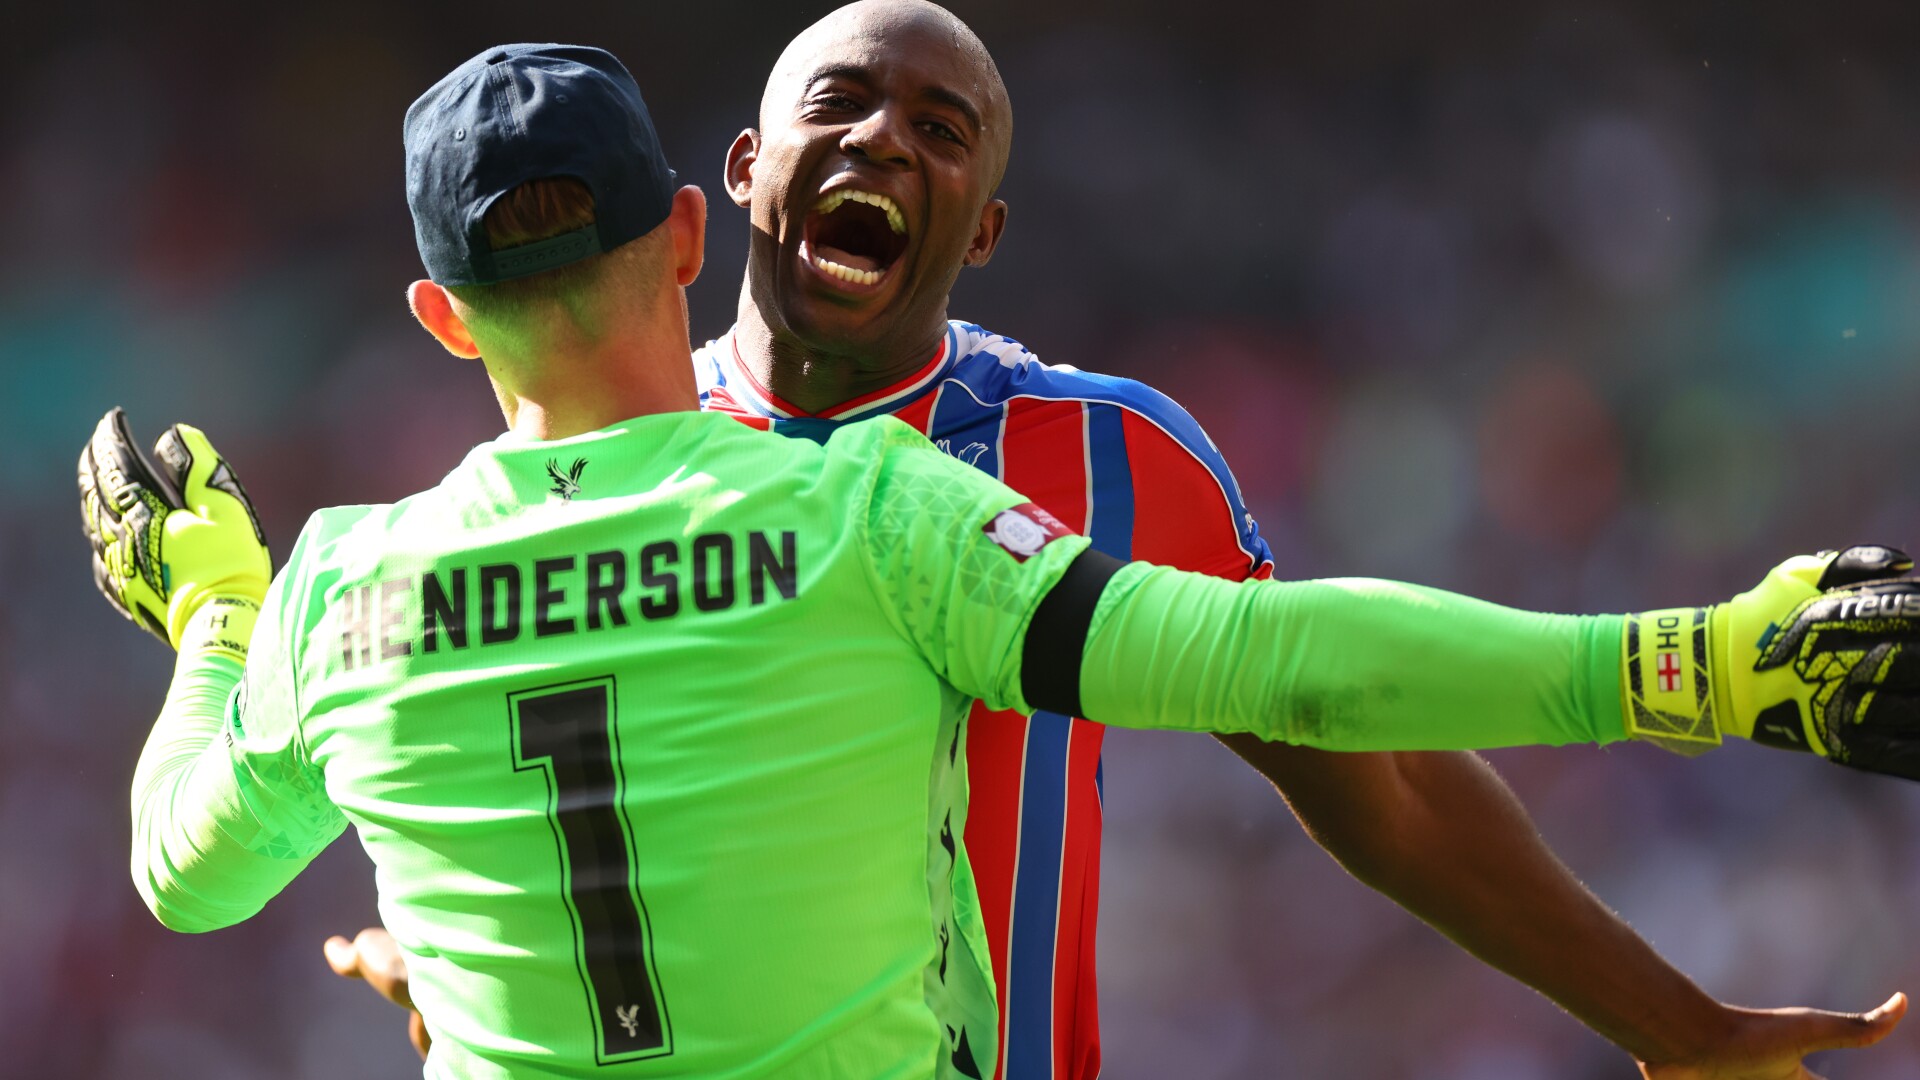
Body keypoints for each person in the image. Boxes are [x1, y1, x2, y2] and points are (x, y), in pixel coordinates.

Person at [82, 38, 1918, 1080]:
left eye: (940, 125)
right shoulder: (872, 518)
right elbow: (1295, 669)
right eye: (843, 109)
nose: (887, 139)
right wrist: (1696, 665)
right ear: (708, 201)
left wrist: (1662, 1023)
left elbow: (1364, 776)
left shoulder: (354, 588)